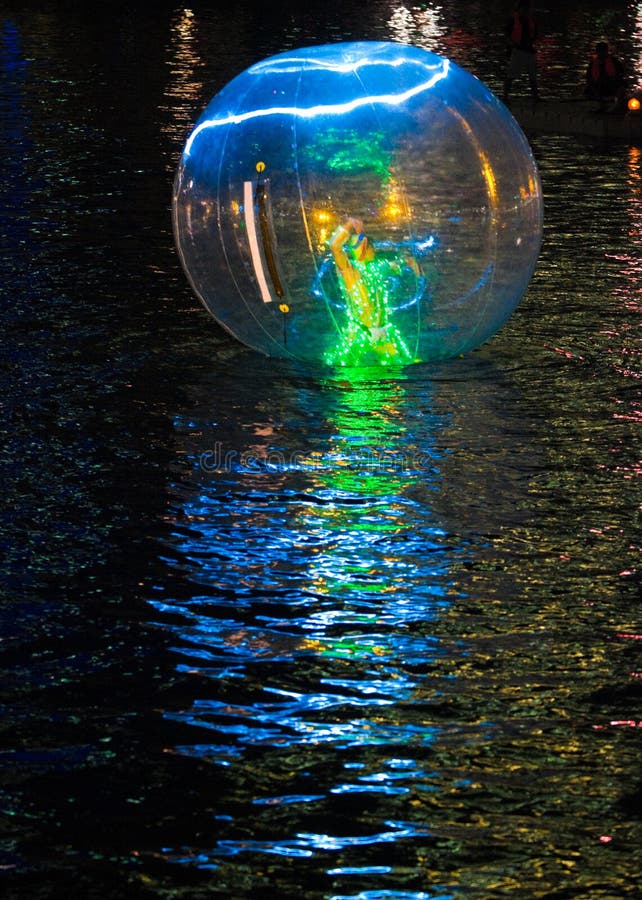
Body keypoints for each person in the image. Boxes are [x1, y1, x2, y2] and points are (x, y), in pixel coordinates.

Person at [327, 217, 421, 365]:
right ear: (363, 248)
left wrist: (408, 261)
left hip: (383, 333)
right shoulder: (351, 271)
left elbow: (394, 264)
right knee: (349, 371)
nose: (374, 250)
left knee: (399, 367)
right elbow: (334, 246)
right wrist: (349, 224)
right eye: (370, 247)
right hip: (360, 334)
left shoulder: (376, 269)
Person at [503, 0, 539, 104]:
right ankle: (505, 96)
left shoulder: (532, 20)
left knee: (532, 75)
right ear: (519, 9)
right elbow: (507, 34)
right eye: (524, 9)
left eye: (527, 9)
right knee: (511, 74)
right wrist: (512, 44)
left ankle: (535, 97)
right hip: (517, 50)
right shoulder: (513, 20)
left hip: (529, 50)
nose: (526, 11)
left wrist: (531, 43)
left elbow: (535, 34)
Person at [584, 41, 626, 108]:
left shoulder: (614, 61)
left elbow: (620, 75)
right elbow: (589, 78)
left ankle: (616, 103)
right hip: (597, 86)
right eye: (599, 51)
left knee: (622, 84)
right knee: (588, 90)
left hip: (611, 85)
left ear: (606, 51)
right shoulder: (593, 63)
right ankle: (600, 102)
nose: (601, 53)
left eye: (603, 51)